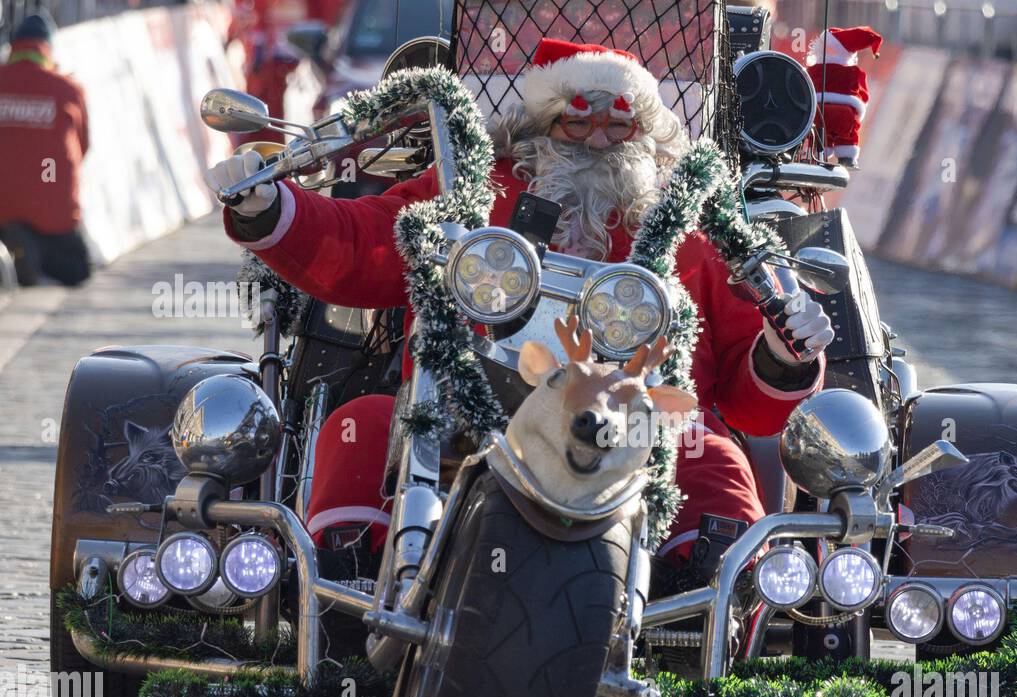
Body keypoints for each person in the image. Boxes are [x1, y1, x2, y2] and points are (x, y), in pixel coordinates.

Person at [204, 39, 833, 573]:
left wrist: (784, 348)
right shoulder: (474, 194)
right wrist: (270, 209)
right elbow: (362, 242)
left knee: (714, 457)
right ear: (542, 126)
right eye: (577, 121)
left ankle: (704, 619)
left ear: (647, 135)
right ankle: (347, 603)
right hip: (467, 412)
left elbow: (750, 402)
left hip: (645, 434)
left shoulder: (690, 225)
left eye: (620, 125)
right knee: (365, 425)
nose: (598, 141)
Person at [0, 11, 92, 286]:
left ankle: (17, 249)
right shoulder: (68, 90)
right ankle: (32, 254)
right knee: (78, 268)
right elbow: (83, 147)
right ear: (48, 49)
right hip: (53, 214)